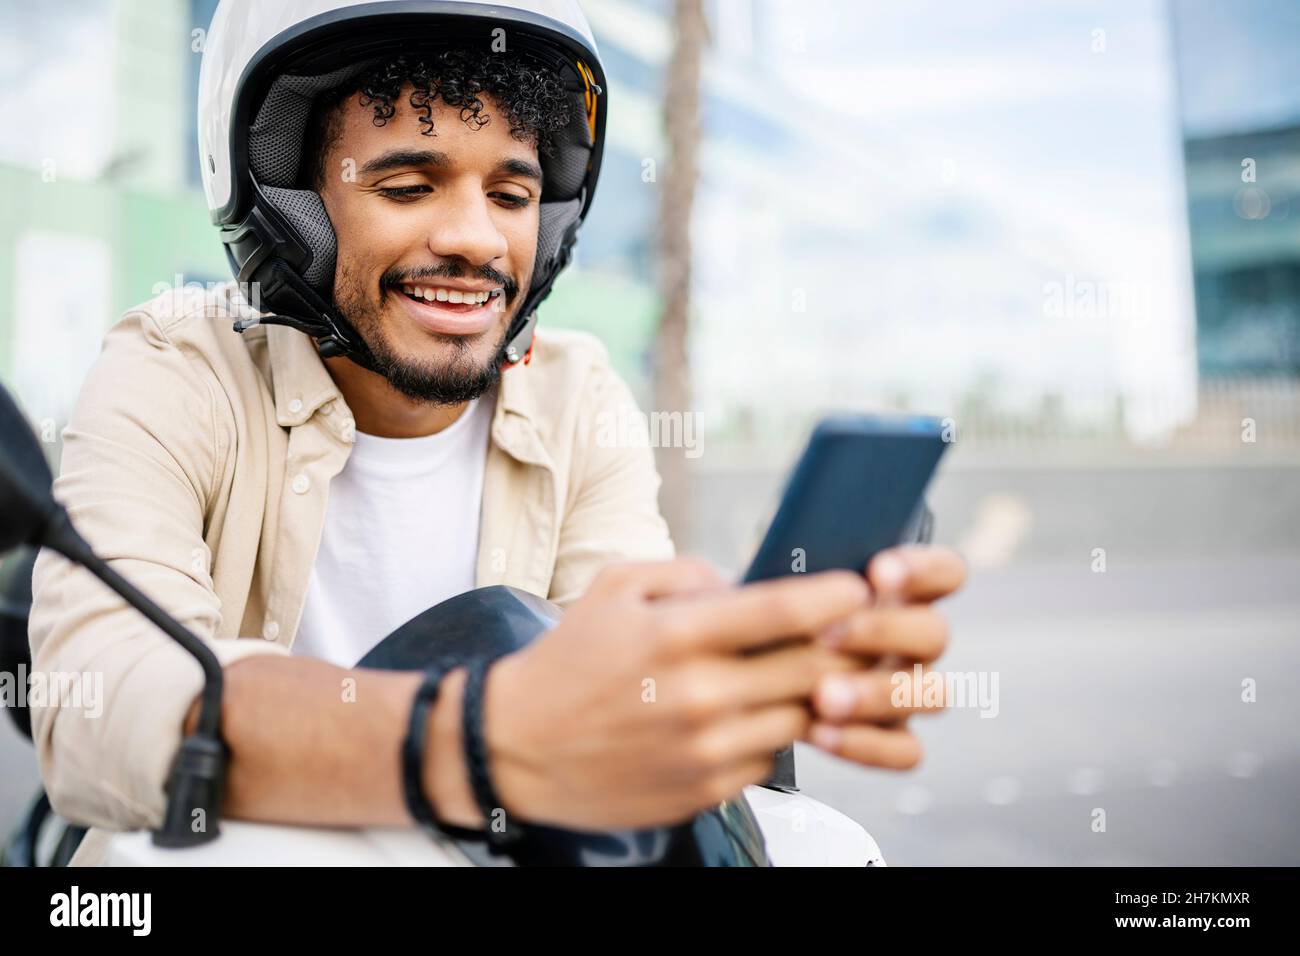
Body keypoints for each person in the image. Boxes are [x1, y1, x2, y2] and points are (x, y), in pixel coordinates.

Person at [28, 0, 965, 865]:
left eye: (512, 197)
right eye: (407, 185)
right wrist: (483, 737)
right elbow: (103, 707)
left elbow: (615, 688)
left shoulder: (577, 393)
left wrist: (753, 669)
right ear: (292, 203)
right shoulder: (172, 369)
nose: (477, 239)